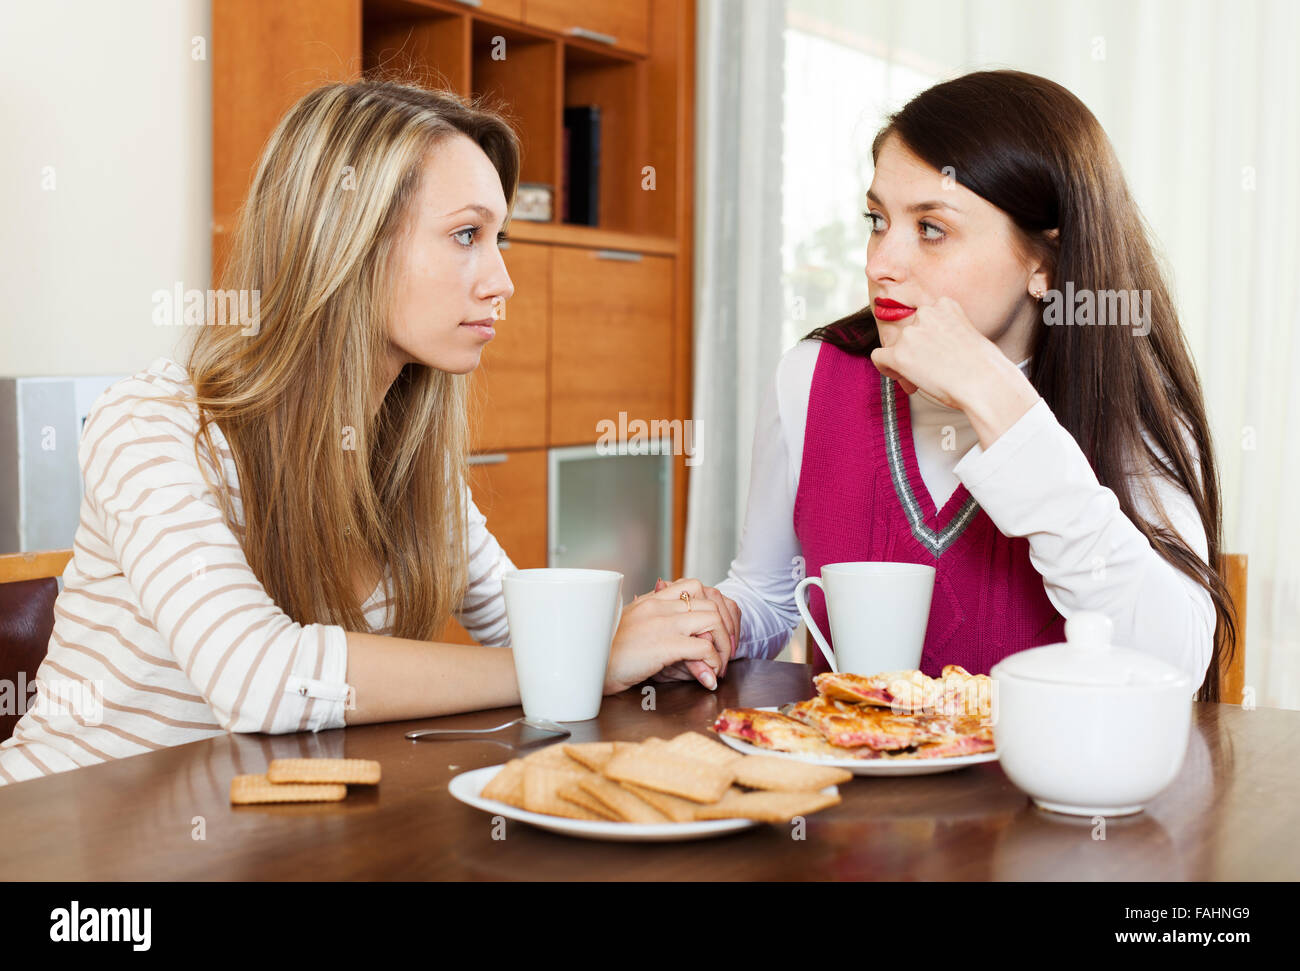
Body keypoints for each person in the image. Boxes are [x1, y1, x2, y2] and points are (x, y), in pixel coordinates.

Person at [0, 80, 733, 786]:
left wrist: (653, 638)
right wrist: (577, 665)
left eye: (499, 237)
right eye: (467, 234)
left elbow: (525, 631)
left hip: (249, 841)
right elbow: (259, 680)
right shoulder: (153, 424)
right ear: (349, 242)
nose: (502, 281)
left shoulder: (408, 457)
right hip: (55, 838)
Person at [713, 69, 1238, 701]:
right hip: (851, 764)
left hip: (1050, 767)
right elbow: (771, 594)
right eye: (877, 220)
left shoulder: (1125, 404)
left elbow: (1172, 667)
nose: (880, 263)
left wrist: (1003, 408)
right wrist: (716, 623)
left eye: (931, 229)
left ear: (1044, 263)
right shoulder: (810, 376)